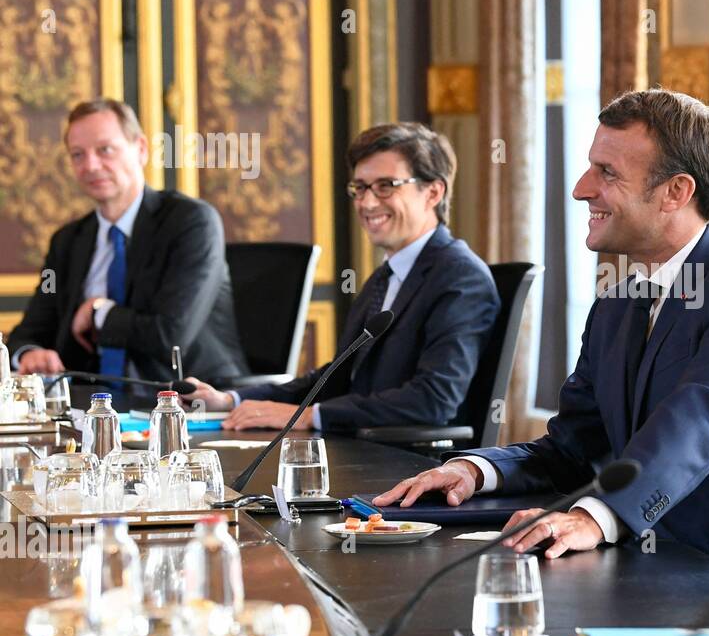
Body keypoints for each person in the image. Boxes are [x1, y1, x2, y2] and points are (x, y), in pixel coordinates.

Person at [375, 89, 709, 567]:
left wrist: (599, 517)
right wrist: (477, 469)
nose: (581, 188)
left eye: (606, 173)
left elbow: (703, 417)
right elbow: (573, 447)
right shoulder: (618, 301)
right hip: (648, 563)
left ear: (675, 192)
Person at [185, 123, 499, 432]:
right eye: (360, 187)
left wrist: (310, 416)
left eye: (386, 185)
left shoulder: (460, 277)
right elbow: (334, 378)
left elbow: (433, 399)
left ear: (433, 192)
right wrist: (229, 399)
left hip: (410, 466)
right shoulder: (384, 278)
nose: (367, 202)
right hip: (360, 449)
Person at [8, 98, 248, 387]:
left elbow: (170, 337)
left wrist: (99, 313)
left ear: (141, 149)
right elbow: (32, 324)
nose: (91, 165)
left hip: (189, 401)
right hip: (93, 405)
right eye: (77, 155)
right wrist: (29, 352)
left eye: (105, 150)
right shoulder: (65, 243)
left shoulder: (192, 223)